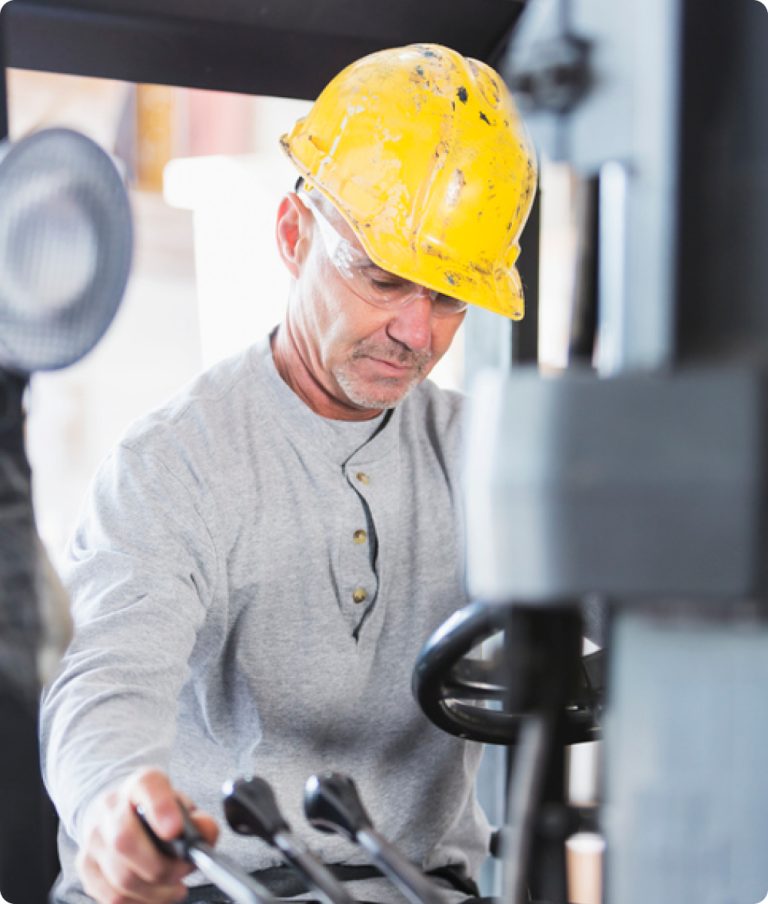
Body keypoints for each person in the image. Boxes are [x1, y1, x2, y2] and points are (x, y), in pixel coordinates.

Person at [40, 43, 537, 904]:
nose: (417, 333)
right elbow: (104, 680)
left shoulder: (484, 455)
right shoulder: (176, 463)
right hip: (212, 886)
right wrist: (113, 803)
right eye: (385, 279)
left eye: (450, 297)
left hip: (418, 889)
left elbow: (634, 616)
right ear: (292, 234)